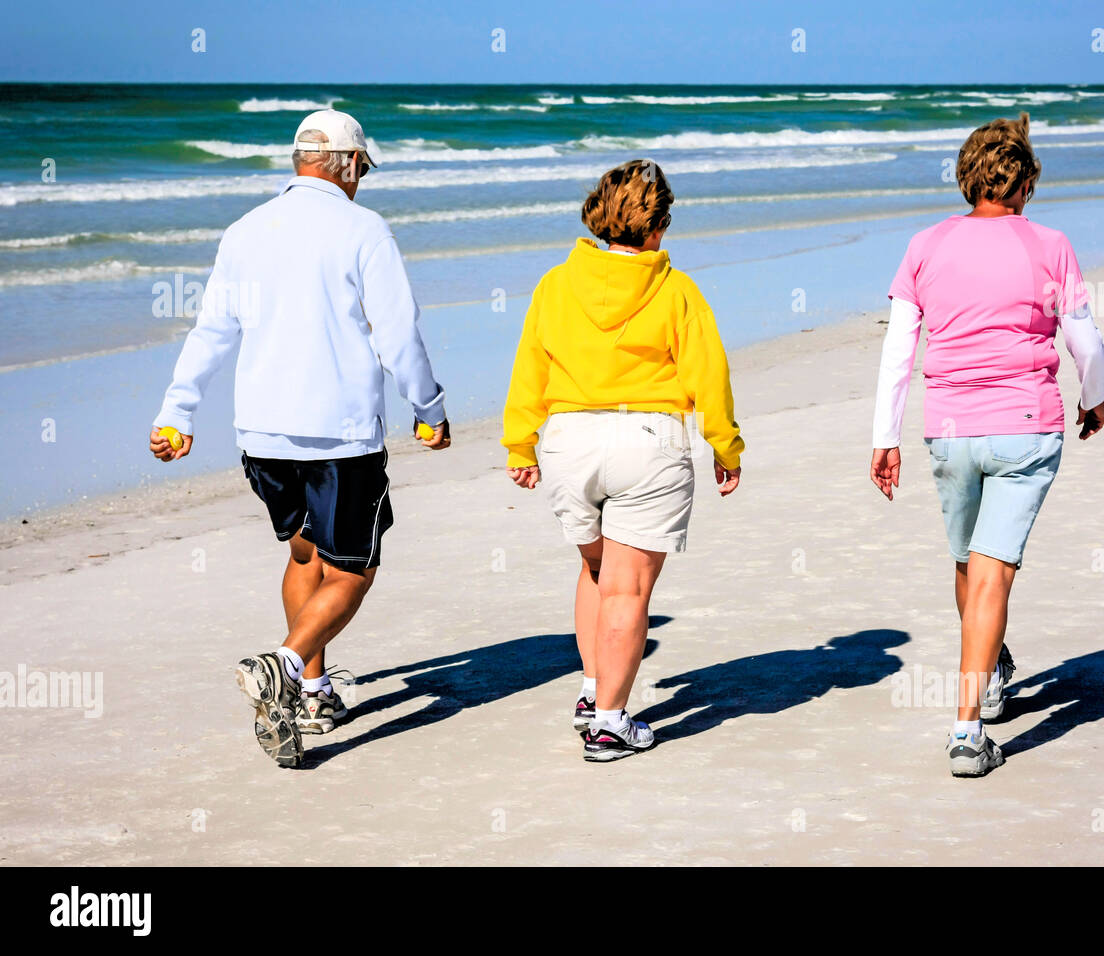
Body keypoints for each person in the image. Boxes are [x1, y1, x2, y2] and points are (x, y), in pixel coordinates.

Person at [150, 109, 452, 768]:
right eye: (363, 167)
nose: (362, 179)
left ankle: (313, 691)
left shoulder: (245, 231)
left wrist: (177, 414)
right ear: (345, 163)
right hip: (339, 437)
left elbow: (212, 332)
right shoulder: (363, 229)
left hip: (262, 435)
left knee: (305, 554)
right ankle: (284, 666)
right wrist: (429, 407)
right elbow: (397, 332)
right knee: (355, 568)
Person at [869, 112, 1104, 777]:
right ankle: (969, 731)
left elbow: (898, 350)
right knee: (991, 567)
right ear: (1026, 182)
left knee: (971, 564)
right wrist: (1093, 397)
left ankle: (991, 668)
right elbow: (1085, 341)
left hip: (949, 431)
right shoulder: (1051, 245)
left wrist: (884, 437)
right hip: (1027, 427)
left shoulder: (924, 246)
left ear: (966, 179)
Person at [502, 159, 744, 762]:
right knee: (628, 590)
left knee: (595, 572)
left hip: (568, 440)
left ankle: (591, 691)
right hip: (647, 441)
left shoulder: (556, 284)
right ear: (658, 226)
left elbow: (531, 364)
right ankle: (610, 723)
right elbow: (707, 373)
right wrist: (725, 444)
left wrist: (520, 443)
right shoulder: (676, 288)